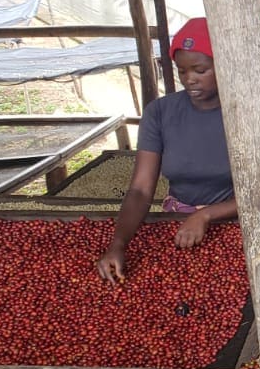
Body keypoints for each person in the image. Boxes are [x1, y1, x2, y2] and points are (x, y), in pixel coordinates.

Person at [98, 18, 237, 280]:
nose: (190, 80)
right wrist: (118, 244)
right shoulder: (160, 113)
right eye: (182, 71)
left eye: (200, 70)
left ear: (223, 64)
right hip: (176, 225)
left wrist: (205, 215)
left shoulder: (245, 113)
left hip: (234, 224)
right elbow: (140, 189)